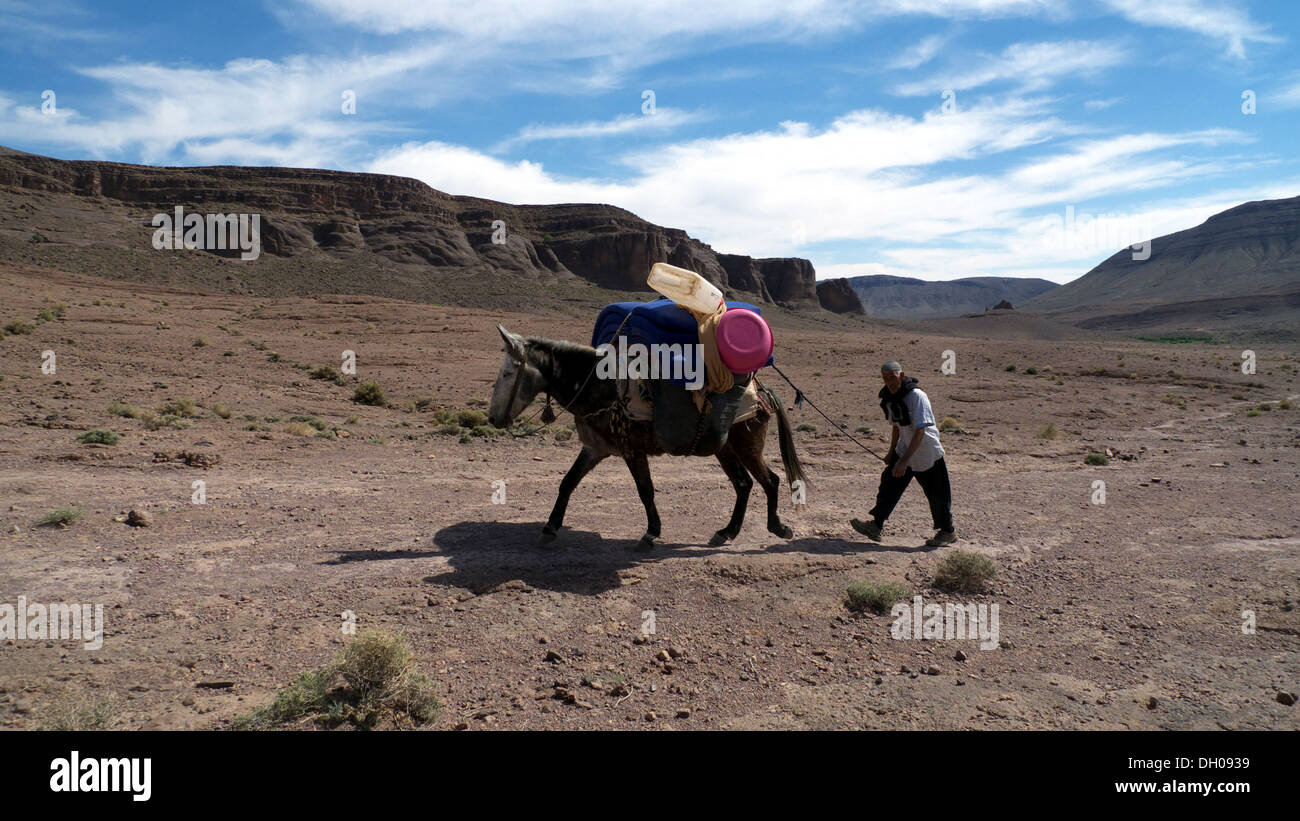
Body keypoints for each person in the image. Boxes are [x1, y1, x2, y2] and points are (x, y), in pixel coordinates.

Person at [851, 360, 956, 546]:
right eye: (885, 378)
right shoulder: (890, 397)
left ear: (901, 375)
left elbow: (920, 430)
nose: (889, 382)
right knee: (889, 485)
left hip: (926, 451)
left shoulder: (917, 396)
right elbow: (896, 427)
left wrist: (903, 461)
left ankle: (947, 532)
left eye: (892, 377)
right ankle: (875, 525)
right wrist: (892, 453)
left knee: (937, 493)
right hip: (905, 449)